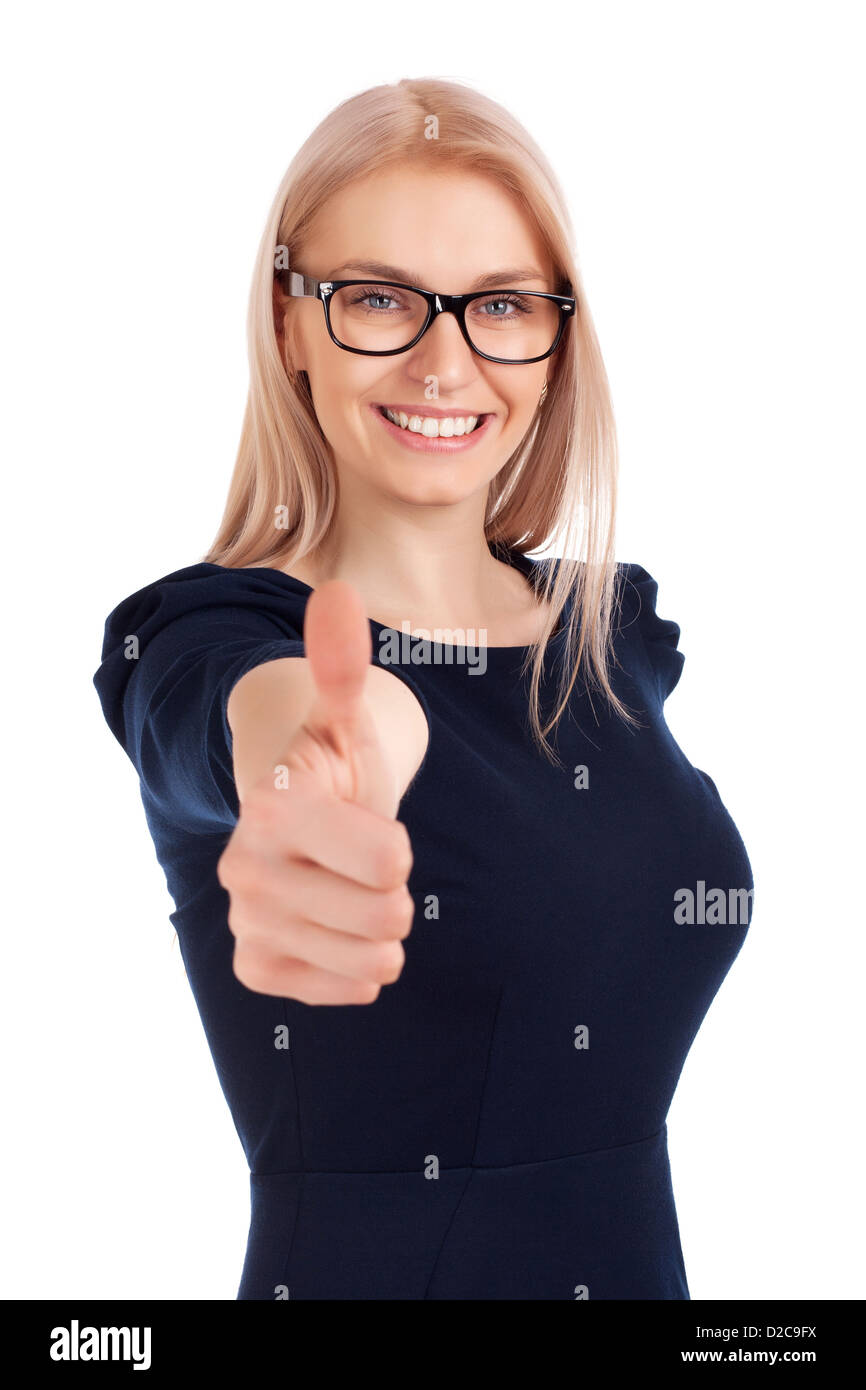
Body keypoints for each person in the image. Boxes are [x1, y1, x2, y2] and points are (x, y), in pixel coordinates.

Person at [93, 77, 753, 1300]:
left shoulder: (608, 634)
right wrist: (307, 781)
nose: (445, 362)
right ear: (289, 321)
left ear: (556, 343)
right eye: (381, 300)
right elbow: (280, 718)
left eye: (499, 305)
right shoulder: (199, 636)